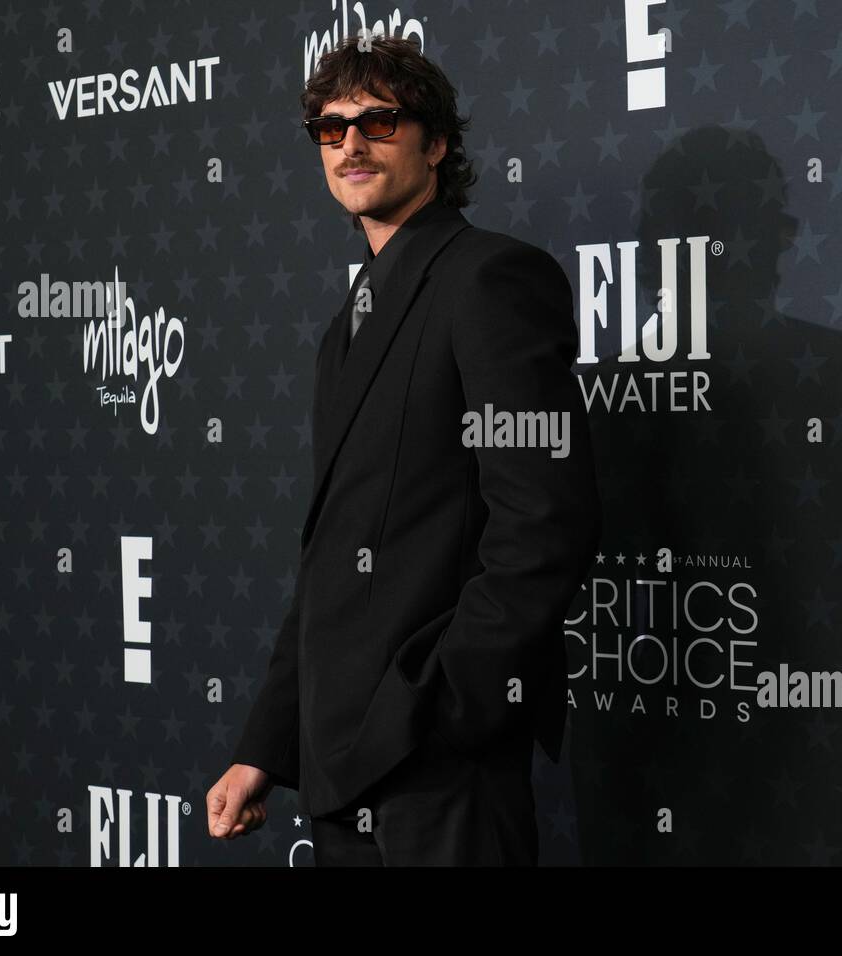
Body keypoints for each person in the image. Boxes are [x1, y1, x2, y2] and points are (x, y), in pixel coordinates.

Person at [205, 34, 600, 865]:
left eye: (379, 122)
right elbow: (329, 558)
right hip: (339, 771)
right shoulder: (343, 328)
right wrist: (266, 748)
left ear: (437, 142)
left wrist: (437, 710)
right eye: (330, 126)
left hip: (439, 774)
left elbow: (544, 526)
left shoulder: (492, 280)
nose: (350, 143)